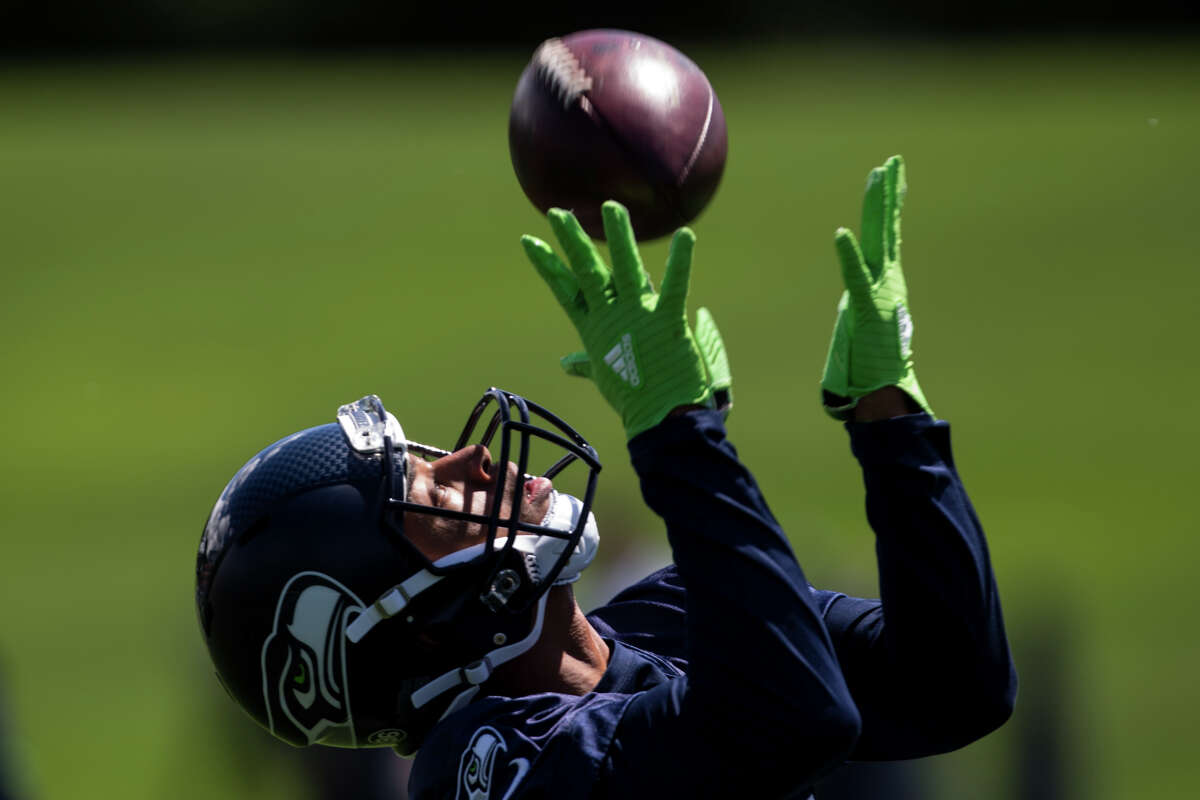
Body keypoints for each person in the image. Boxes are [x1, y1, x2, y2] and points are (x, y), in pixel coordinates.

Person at [195, 156, 1016, 799]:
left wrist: (893, 422)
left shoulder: (660, 618)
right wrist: (680, 439)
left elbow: (956, 686)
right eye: (430, 493)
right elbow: (793, 720)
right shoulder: (489, 774)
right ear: (413, 622)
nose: (470, 459)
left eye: (429, 453)